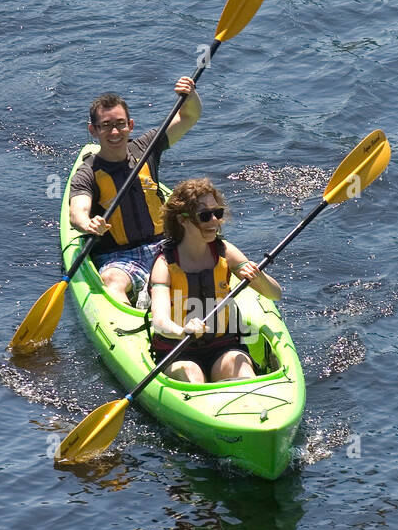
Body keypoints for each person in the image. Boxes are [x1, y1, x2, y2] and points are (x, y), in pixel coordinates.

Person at [68, 77, 201, 304]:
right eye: (106, 126)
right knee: (112, 281)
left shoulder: (147, 147)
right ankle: (135, 328)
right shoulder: (88, 172)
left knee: (208, 260)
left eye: (120, 124)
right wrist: (88, 223)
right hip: (120, 256)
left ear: (130, 125)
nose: (114, 132)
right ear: (93, 130)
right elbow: (77, 211)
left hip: (165, 243)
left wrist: (190, 95)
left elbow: (189, 116)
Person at [148, 178, 281, 384]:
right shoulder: (165, 264)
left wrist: (259, 277)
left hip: (223, 346)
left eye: (217, 213)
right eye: (204, 216)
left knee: (243, 372)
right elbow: (160, 321)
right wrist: (182, 331)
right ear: (182, 220)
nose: (214, 221)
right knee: (191, 375)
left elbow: (275, 294)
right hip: (177, 351)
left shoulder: (225, 251)